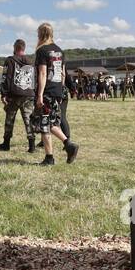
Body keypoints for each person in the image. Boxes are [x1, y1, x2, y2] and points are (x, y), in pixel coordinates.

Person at [32, 23, 79, 166]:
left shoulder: (42, 51)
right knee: (50, 122)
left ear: (40, 34)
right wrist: (61, 89)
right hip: (57, 90)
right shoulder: (60, 51)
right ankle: (67, 145)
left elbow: (42, 73)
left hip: (46, 91)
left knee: (45, 123)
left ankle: (50, 157)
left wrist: (39, 94)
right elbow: (63, 73)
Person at [0, 38, 36, 154]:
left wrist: (4, 93)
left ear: (15, 48)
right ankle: (31, 144)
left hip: (14, 94)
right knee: (28, 119)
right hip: (28, 93)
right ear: (24, 48)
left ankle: (6, 143)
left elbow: (6, 77)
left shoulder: (10, 60)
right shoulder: (30, 62)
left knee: (9, 119)